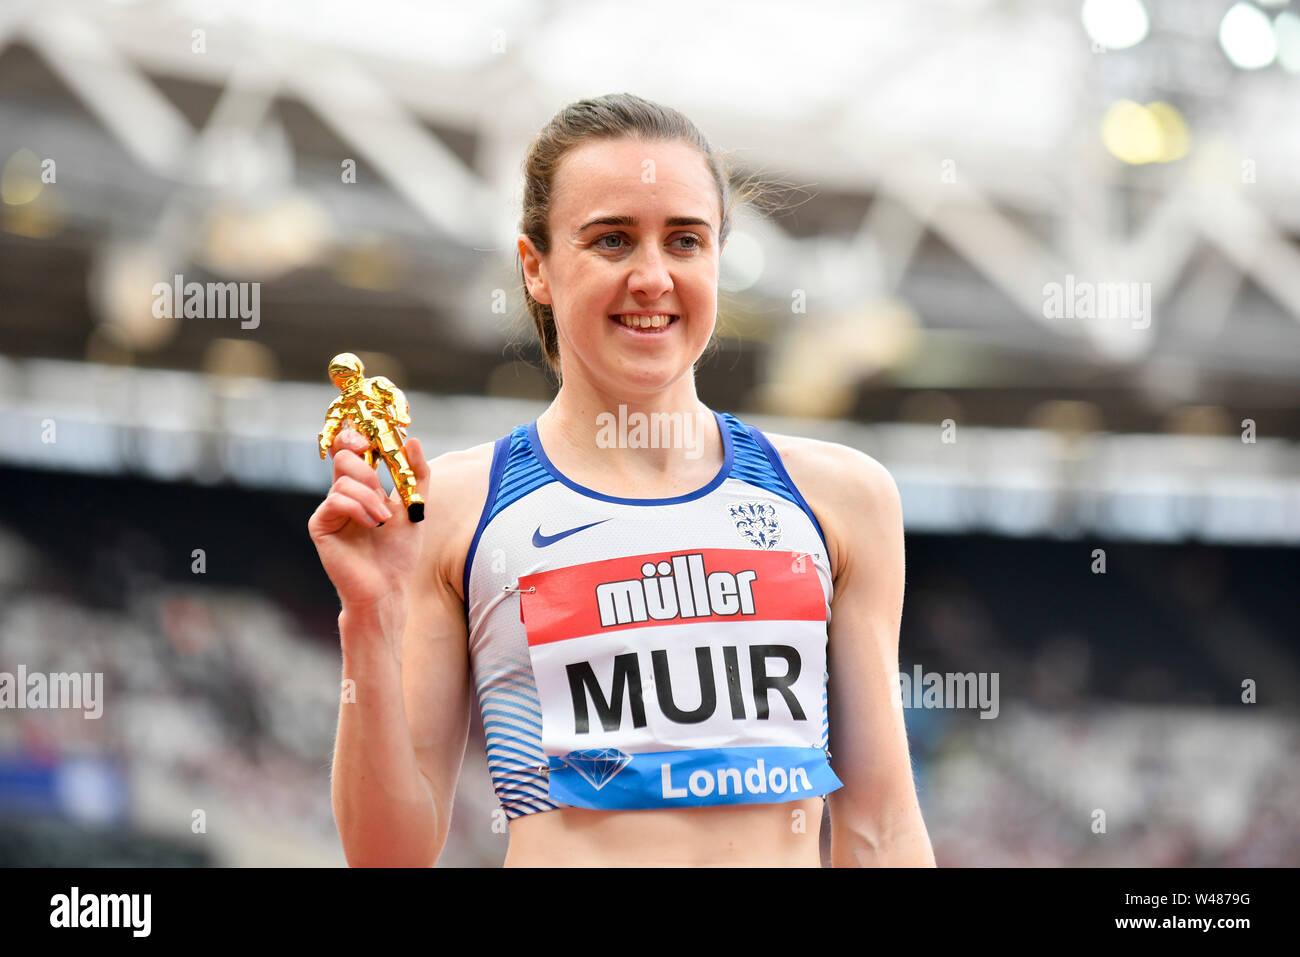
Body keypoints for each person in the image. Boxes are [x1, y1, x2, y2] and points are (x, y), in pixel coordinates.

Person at [310, 93, 935, 867]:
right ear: (535, 267)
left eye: (685, 241)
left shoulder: (842, 498)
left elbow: (881, 829)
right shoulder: (451, 507)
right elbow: (388, 855)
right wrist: (368, 619)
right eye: (612, 240)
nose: (652, 277)